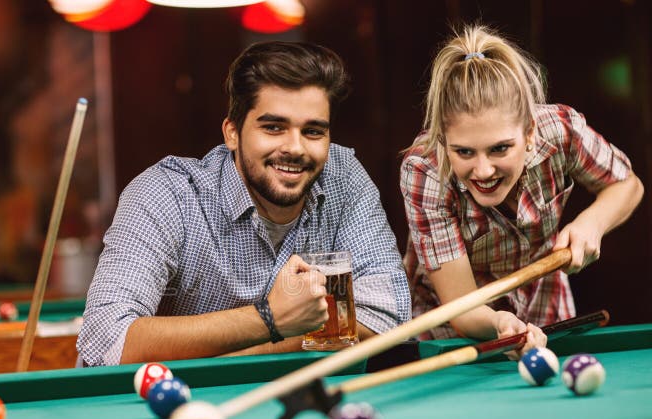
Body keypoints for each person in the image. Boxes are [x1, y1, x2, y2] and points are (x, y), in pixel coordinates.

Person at [77, 41, 411, 366]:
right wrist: (269, 318)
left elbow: (388, 314)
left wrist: (240, 355)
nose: (295, 148)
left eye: (312, 131)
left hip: (291, 398)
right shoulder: (167, 193)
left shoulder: (344, 177)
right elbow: (108, 339)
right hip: (159, 401)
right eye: (274, 127)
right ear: (232, 133)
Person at [400, 25, 644, 356]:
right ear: (443, 140)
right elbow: (462, 308)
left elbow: (627, 184)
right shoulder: (425, 172)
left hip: (546, 310)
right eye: (464, 152)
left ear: (529, 132)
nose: (483, 170)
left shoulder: (560, 131)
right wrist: (500, 323)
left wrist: (593, 223)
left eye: (500, 148)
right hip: (454, 333)